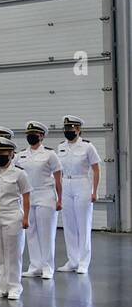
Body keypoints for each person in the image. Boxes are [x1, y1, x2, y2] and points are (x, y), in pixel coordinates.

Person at [0, 137, 30, 300]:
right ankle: (1, 285)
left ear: (11, 154)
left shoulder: (19, 173)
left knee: (13, 252)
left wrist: (26, 217)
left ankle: (15, 287)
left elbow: (26, 195)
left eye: (2, 152)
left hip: (12, 215)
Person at [17, 120, 62, 280]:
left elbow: (58, 179)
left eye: (34, 134)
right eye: (29, 134)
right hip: (28, 196)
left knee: (46, 233)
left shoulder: (50, 154)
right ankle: (35, 265)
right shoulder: (21, 155)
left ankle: (47, 267)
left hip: (45, 195)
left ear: (42, 136)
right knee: (31, 231)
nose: (31, 137)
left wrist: (59, 199)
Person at [56, 115, 100, 274]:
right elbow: (58, 171)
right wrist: (59, 195)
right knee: (69, 225)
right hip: (66, 184)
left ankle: (83, 262)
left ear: (78, 129)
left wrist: (95, 191)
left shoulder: (88, 146)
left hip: (82, 183)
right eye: (66, 128)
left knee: (83, 224)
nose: (68, 131)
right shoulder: (61, 146)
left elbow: (96, 169)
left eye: (71, 128)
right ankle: (72, 260)